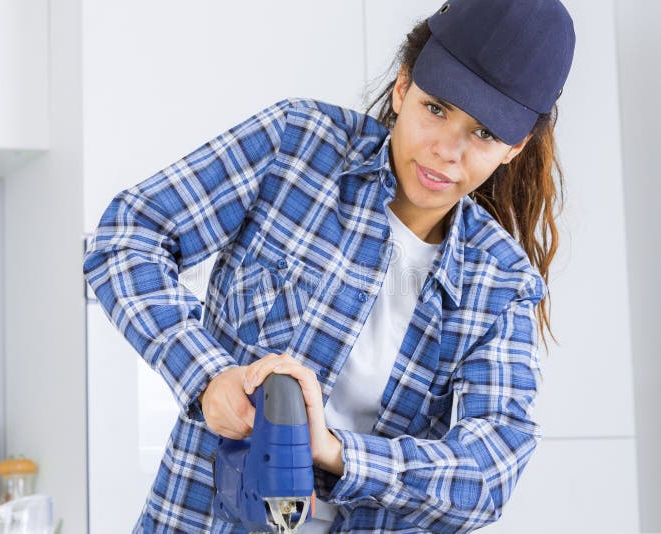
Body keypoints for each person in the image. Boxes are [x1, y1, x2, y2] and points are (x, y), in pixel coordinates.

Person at [83, 0, 575, 531]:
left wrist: (336, 452)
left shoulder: (502, 285)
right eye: (436, 108)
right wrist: (209, 379)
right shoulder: (297, 146)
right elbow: (127, 236)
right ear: (403, 87)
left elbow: (488, 473)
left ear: (515, 147)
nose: (445, 151)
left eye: (483, 133)